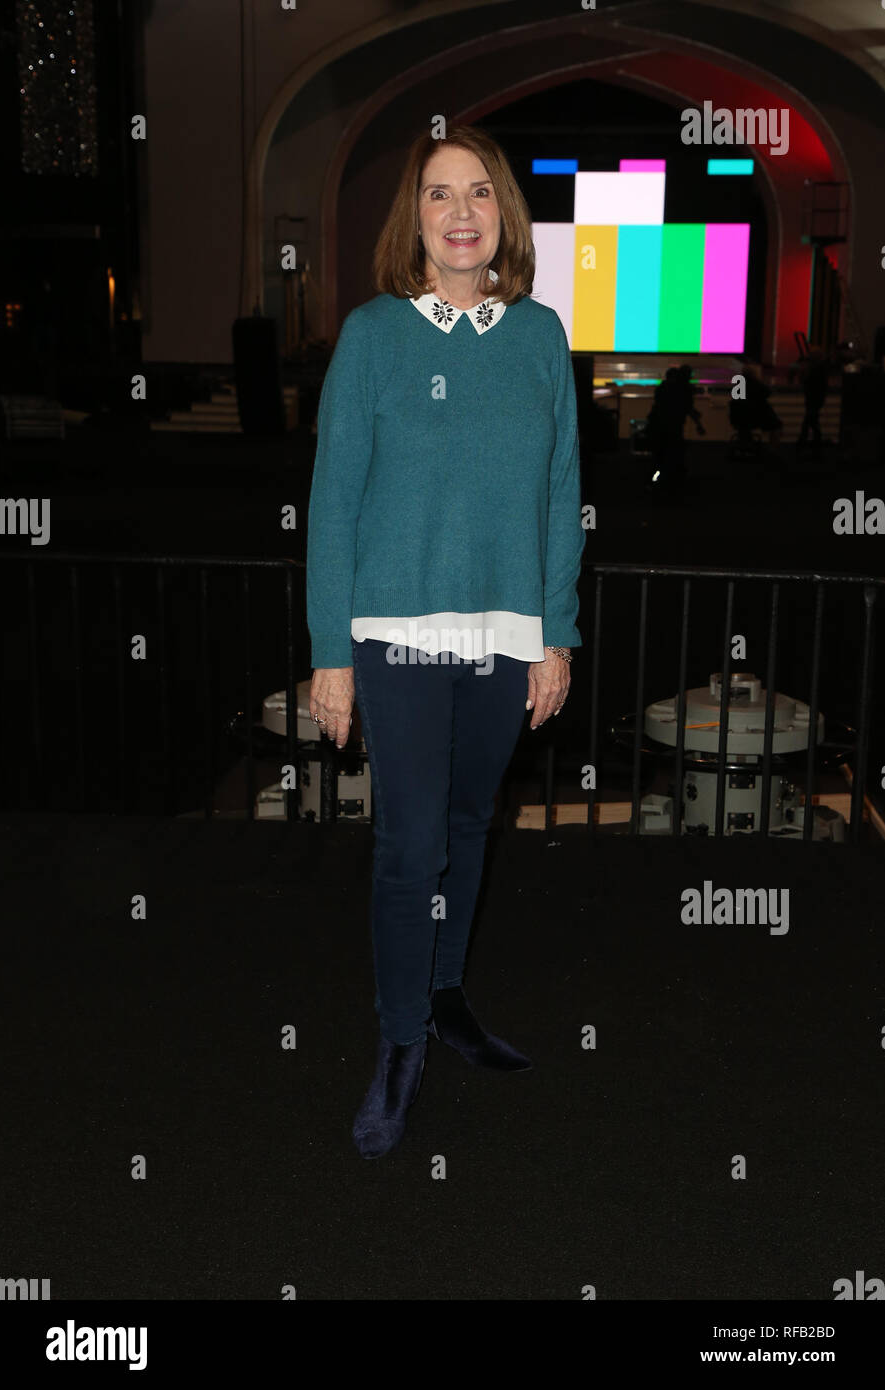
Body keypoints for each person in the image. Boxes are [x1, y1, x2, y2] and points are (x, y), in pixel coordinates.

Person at [306, 124, 585, 1159]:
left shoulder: (540, 335)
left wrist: (556, 636)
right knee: (409, 840)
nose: (460, 211)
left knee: (469, 827)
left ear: (502, 214)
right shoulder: (374, 336)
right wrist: (330, 652)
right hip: (396, 633)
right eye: (438, 195)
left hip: (506, 633)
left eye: (478, 192)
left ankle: (446, 992)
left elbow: (563, 493)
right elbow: (332, 500)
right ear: (413, 219)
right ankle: (399, 1041)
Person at [644, 364, 705, 499]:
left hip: (657, 427)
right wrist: (699, 425)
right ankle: (673, 484)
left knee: (658, 456)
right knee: (675, 455)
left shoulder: (663, 388)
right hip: (673, 428)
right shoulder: (684, 390)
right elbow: (687, 408)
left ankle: (653, 483)